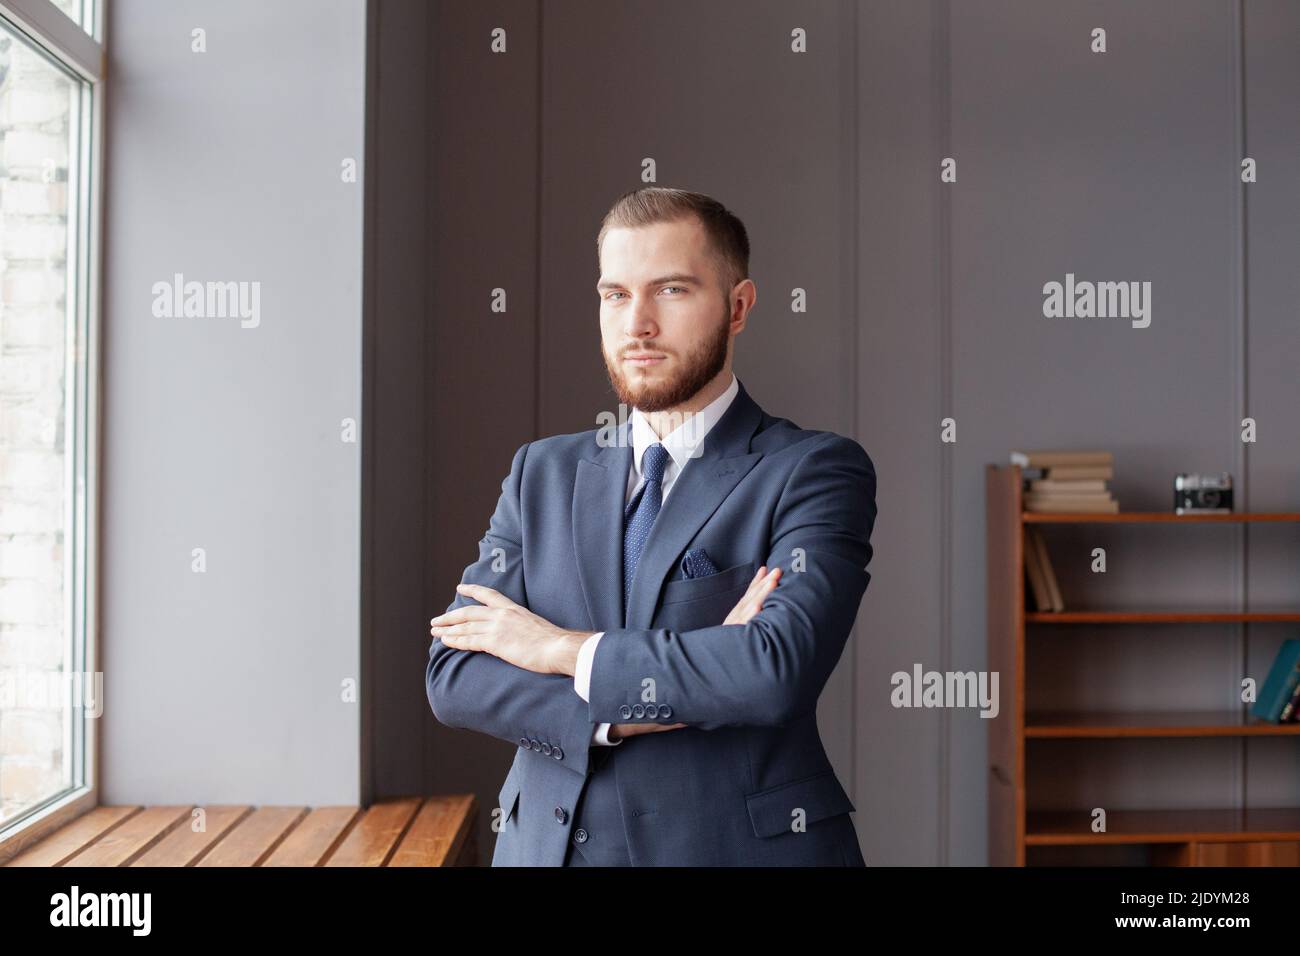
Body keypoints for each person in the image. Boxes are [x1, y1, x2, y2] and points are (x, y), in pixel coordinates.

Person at [426, 186, 877, 866]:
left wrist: (558, 651)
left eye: (669, 291)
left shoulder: (813, 470)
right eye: (615, 294)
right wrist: (626, 709)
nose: (636, 324)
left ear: (739, 306)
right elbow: (454, 673)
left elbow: (772, 668)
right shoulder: (540, 472)